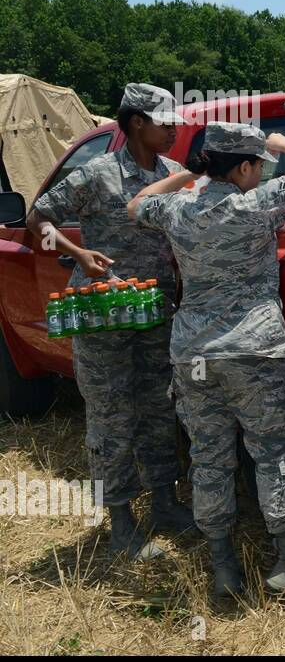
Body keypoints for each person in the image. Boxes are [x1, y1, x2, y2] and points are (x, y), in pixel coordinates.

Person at [126, 122, 285, 603]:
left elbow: (136, 203)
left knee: (209, 458)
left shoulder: (178, 208)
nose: (260, 173)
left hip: (194, 355)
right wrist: (283, 144)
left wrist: (189, 175)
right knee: (275, 456)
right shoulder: (256, 204)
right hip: (254, 351)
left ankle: (223, 567)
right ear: (243, 167)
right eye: (258, 165)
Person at [27, 83, 195, 558]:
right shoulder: (96, 174)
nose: (173, 131)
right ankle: (121, 521)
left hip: (155, 311)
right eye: (165, 123)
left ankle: (164, 503)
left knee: (159, 407)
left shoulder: (173, 174)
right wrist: (78, 252)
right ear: (137, 123)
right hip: (105, 314)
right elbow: (39, 219)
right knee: (111, 415)